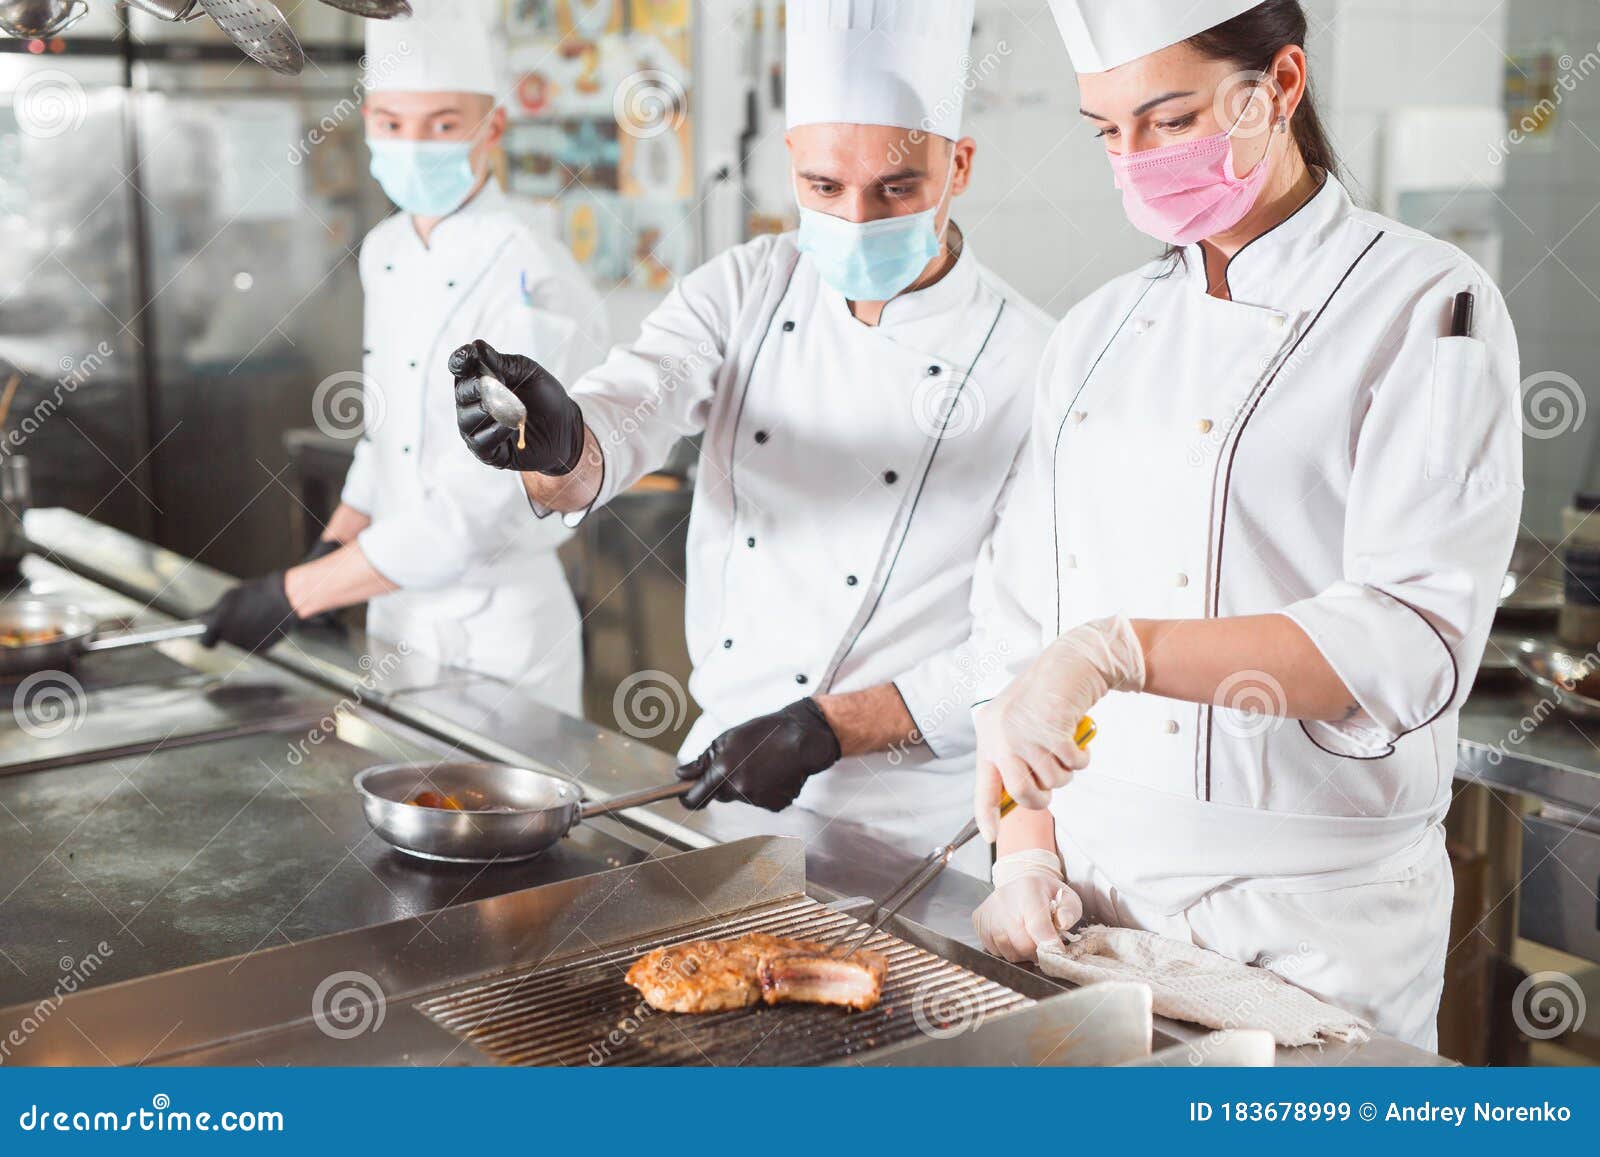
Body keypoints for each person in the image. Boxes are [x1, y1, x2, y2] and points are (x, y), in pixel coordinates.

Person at [968, 0, 1521, 1050]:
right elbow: (1011, 624)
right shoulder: (1094, 332)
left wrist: (1117, 652)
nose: (1131, 160)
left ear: (1279, 85)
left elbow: (1407, 638)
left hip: (1307, 925)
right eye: (1105, 130)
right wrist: (1026, 847)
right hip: (1090, 906)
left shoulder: (1422, 301)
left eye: (1169, 120)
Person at [452, 0, 1054, 869]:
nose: (855, 217)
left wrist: (829, 726)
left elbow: (1027, 644)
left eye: (896, 188)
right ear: (790, 165)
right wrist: (559, 443)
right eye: (823, 187)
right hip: (724, 774)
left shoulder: (1035, 360)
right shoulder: (751, 286)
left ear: (958, 164)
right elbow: (637, 400)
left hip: (916, 822)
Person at [200, 1, 608, 711]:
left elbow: (475, 507)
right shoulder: (387, 248)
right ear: (368, 125)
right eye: (392, 123)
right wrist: (330, 551)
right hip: (392, 612)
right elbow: (386, 434)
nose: (414, 145)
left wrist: (293, 594)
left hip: (496, 631)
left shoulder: (532, 276)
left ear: (494, 127)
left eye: (443, 124)